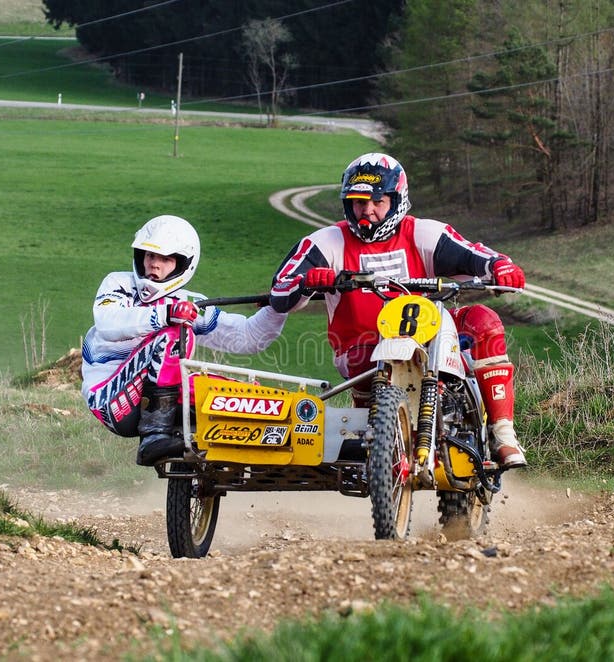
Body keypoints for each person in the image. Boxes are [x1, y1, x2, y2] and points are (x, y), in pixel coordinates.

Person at [269, 153, 528, 469]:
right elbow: (279, 289)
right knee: (363, 358)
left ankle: (502, 433)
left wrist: (500, 266)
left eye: (378, 201)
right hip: (361, 346)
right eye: (359, 202)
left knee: (483, 322)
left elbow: (475, 255)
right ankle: (377, 440)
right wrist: (307, 281)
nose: (368, 210)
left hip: (431, 333)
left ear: (397, 199)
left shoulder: (423, 233)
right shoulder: (326, 242)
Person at [82, 214, 287, 466]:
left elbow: (247, 338)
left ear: (183, 264)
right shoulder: (118, 283)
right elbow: (108, 322)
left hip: (156, 391)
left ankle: (255, 452)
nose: (154, 265)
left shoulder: (188, 302)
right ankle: (153, 435)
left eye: (165, 258)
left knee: (235, 395)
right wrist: (166, 315)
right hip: (109, 398)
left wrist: (279, 307)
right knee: (176, 333)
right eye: (150, 256)